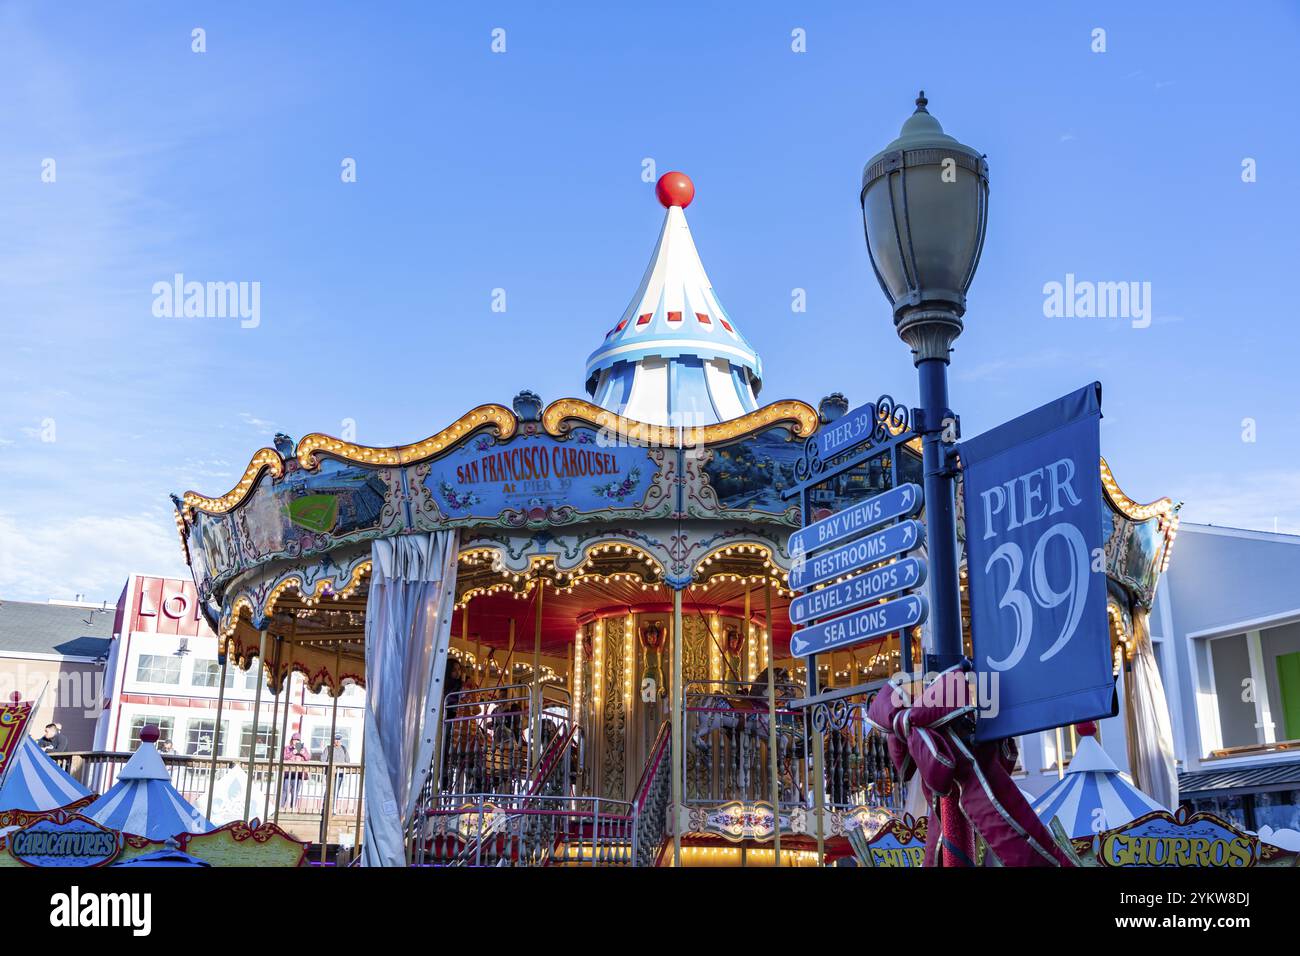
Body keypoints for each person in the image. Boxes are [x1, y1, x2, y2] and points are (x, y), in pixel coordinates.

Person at [281, 734, 310, 811]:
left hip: (299, 774)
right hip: (288, 773)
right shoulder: (287, 748)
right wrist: (293, 752)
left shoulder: (303, 749)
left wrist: (302, 753)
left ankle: (292, 808)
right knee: (285, 791)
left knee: (295, 792)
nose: (296, 741)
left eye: (298, 740)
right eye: (294, 740)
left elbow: (308, 758)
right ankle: (281, 807)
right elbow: (284, 757)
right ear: (292, 740)